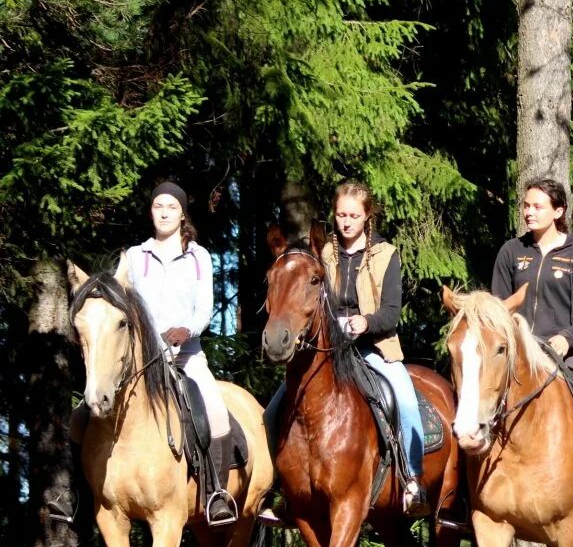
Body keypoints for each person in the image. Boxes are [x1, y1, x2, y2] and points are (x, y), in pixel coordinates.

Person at [50, 181, 236, 526]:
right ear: (151, 212)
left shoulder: (199, 257)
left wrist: (187, 331)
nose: (165, 213)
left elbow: (205, 308)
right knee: (80, 416)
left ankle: (215, 493)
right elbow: (120, 304)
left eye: (172, 208)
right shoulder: (134, 257)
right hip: (143, 358)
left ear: (182, 215)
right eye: (158, 206)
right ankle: (73, 494)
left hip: (186, 355)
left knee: (215, 412)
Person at [266, 182, 428, 518]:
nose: (346, 221)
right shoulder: (323, 254)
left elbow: (391, 311)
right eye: (341, 214)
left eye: (354, 215)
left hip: (375, 348)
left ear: (367, 216)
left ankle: (413, 480)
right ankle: (278, 490)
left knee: (406, 400)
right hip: (327, 351)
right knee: (272, 412)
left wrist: (365, 323)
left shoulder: (386, 255)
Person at [491, 178, 573, 425]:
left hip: (571, 352)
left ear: (558, 211)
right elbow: (499, 309)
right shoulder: (511, 251)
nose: (529, 212)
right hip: (520, 352)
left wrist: (567, 338)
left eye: (537, 207)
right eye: (526, 205)